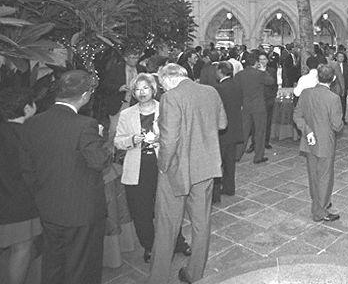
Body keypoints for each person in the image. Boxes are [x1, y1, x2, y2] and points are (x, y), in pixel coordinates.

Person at [20, 71, 111, 284]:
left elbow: (27, 169)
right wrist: (102, 141)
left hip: (49, 208)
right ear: (86, 95)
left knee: (53, 265)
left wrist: (42, 196)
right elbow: (99, 161)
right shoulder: (85, 125)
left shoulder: (33, 122)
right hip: (81, 213)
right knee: (82, 269)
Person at [148, 64, 227, 284]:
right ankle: (194, 274)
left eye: (162, 85)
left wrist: (163, 165)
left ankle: (157, 278)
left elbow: (169, 140)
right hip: (205, 167)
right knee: (201, 224)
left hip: (176, 169)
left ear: (167, 80)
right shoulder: (211, 91)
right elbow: (222, 124)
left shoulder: (171, 97)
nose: (162, 89)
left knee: (167, 225)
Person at [113, 74, 191, 264]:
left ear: (153, 90)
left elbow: (179, 135)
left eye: (145, 88)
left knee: (168, 207)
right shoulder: (127, 114)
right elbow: (117, 141)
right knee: (142, 211)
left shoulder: (165, 108)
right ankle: (149, 246)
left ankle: (177, 242)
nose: (141, 92)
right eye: (138, 89)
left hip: (162, 165)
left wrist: (161, 140)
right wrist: (132, 140)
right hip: (137, 167)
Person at [293, 64, 344, 222]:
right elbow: (337, 125)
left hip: (309, 141)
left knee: (313, 176)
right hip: (324, 143)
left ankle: (319, 203)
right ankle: (320, 211)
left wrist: (307, 130)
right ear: (333, 79)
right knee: (324, 177)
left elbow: (297, 116)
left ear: (317, 77)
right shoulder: (333, 98)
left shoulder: (306, 93)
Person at [0, 88, 41, 284]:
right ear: (27, 108)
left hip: (5, 199)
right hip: (20, 203)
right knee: (21, 248)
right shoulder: (29, 135)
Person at [234, 51, 275, 164]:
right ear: (256, 62)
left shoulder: (239, 75)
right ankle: (258, 156)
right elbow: (271, 82)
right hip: (259, 106)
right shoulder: (260, 74)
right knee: (260, 132)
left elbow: (236, 90)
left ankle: (237, 155)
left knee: (244, 131)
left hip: (245, 105)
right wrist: (263, 70)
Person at [213, 62, 244, 203]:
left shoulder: (218, 88)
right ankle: (229, 188)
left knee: (218, 161)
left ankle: (216, 194)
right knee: (230, 161)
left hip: (222, 129)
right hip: (235, 128)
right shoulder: (237, 85)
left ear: (220, 71)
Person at [329, 51, 348, 123]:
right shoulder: (333, 65)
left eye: (342, 56)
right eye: (339, 56)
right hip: (335, 88)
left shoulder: (346, 65)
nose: (341, 58)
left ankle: (343, 118)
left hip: (344, 86)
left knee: (343, 103)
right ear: (336, 57)